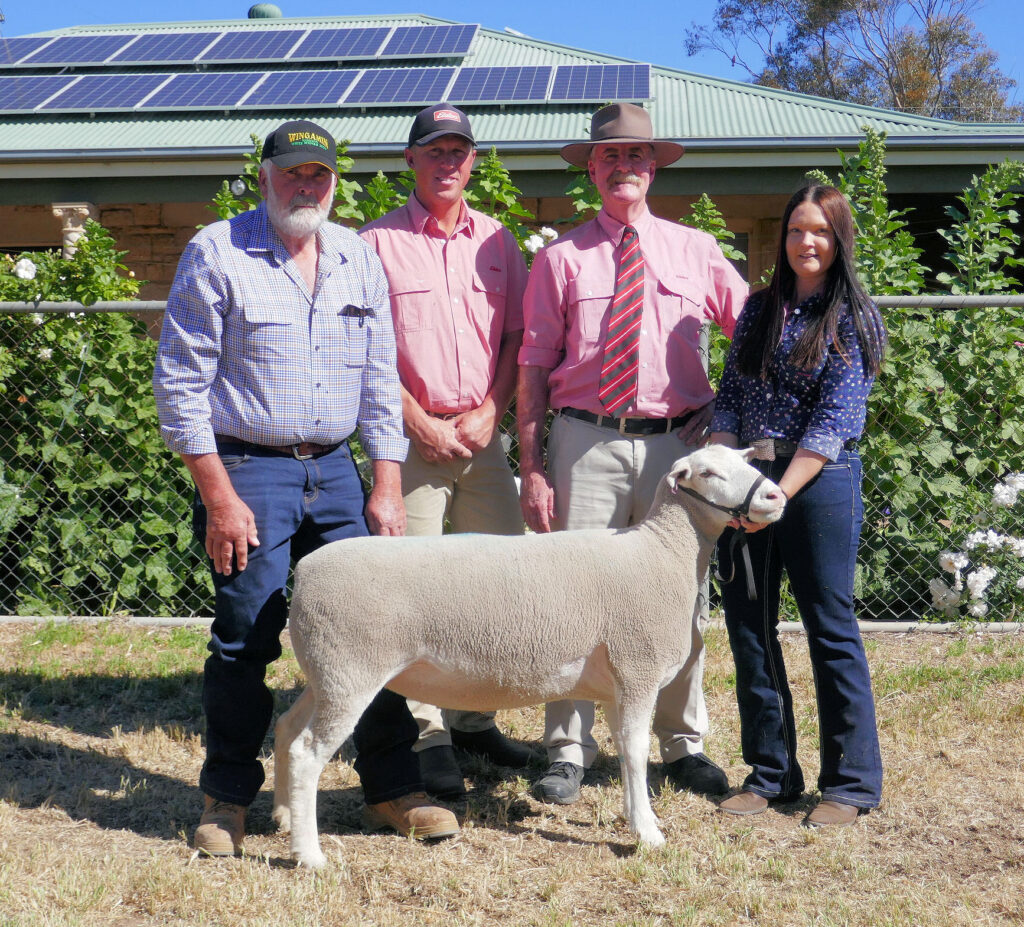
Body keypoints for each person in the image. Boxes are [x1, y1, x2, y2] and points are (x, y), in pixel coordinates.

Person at [153, 119, 458, 856]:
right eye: (291, 173)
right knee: (246, 633)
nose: (305, 185)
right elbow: (180, 388)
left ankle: (391, 786)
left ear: (333, 182)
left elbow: (381, 381)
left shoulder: (355, 255)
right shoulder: (217, 251)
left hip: (340, 470)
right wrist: (221, 497)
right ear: (264, 178)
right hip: (249, 470)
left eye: (318, 175)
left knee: (376, 629)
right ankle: (227, 798)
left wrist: (386, 483)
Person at [517, 102, 748, 805]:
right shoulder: (558, 259)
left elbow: (754, 334)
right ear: (591, 167)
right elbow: (532, 364)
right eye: (611, 156)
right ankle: (567, 747)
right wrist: (531, 463)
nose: (625, 167)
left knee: (679, 600)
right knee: (570, 596)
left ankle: (682, 744)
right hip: (584, 439)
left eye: (637, 156)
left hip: (677, 448)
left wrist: (726, 411)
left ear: (654, 168)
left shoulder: (697, 250)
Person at [359, 103, 533, 799]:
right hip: (413, 441)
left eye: (459, 151)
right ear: (411, 160)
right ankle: (427, 734)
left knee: (496, 585)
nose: (448, 162)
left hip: (483, 438)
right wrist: (418, 422)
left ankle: (473, 718)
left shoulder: (499, 242)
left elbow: (517, 341)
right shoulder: (373, 245)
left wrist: (494, 408)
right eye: (434, 151)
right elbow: (367, 354)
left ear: (472, 161)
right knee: (418, 594)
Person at [710, 183, 886, 828]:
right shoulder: (759, 310)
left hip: (818, 484)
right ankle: (771, 774)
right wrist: (730, 476)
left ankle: (852, 783)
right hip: (748, 477)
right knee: (748, 628)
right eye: (795, 231)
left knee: (828, 629)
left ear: (839, 240)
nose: (805, 242)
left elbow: (832, 422)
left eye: (819, 231)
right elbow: (728, 396)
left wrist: (775, 496)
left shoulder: (854, 317)